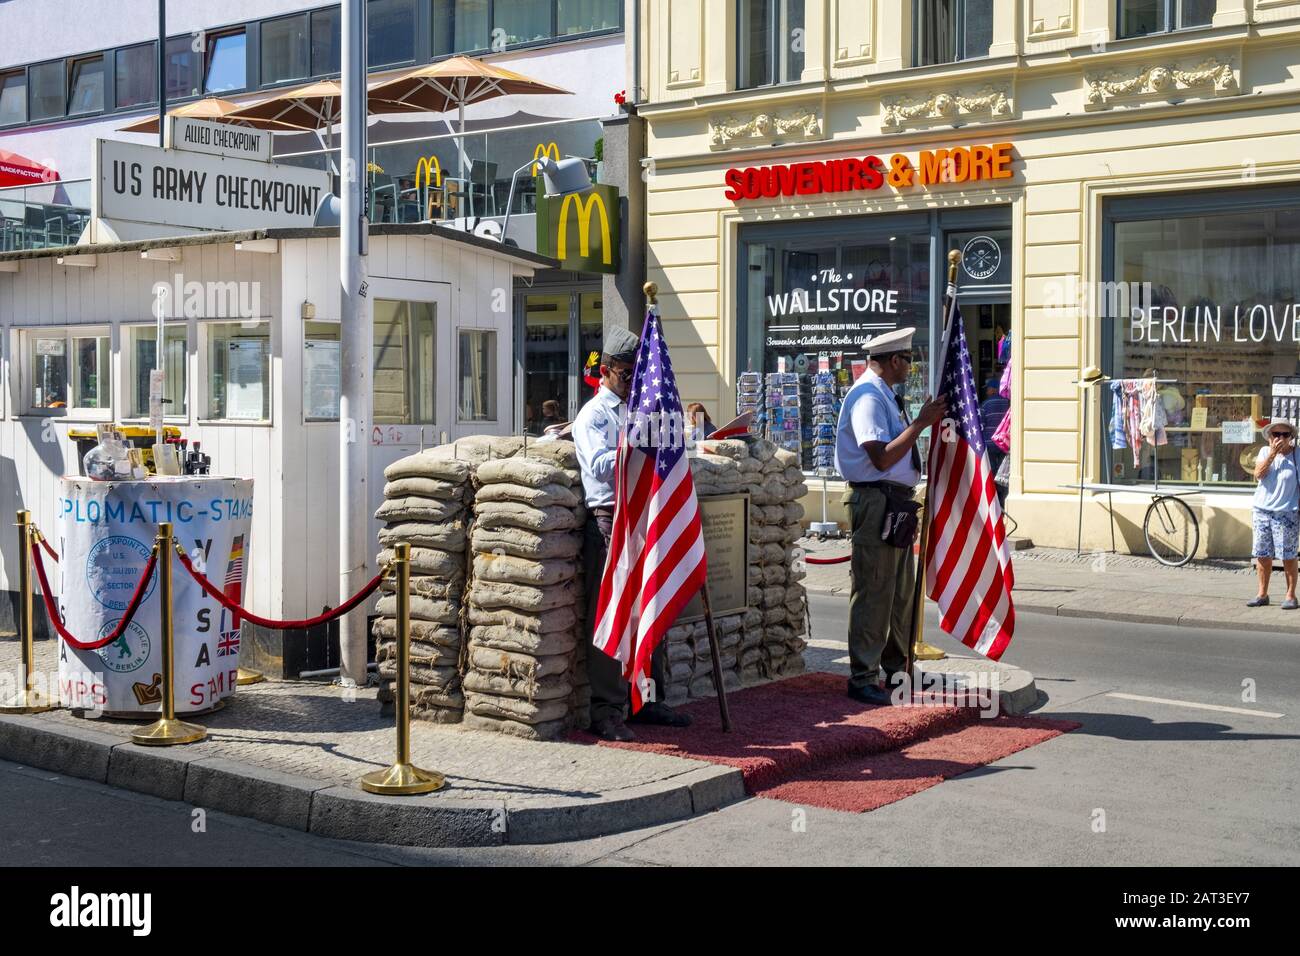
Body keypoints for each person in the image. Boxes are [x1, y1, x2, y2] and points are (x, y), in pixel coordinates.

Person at [573, 326, 692, 740]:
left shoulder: (636, 409)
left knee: (649, 607)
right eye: (626, 374)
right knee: (614, 612)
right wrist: (634, 442)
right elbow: (600, 467)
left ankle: (647, 697)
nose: (632, 381)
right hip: (610, 519)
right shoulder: (594, 415)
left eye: (637, 374)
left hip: (644, 516)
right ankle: (606, 709)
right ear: (605, 371)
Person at [834, 327, 947, 705]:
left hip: (893, 502)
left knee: (900, 592)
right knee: (875, 590)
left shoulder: (884, 394)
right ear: (894, 360)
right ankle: (863, 675)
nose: (911, 368)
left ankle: (899, 670)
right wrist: (920, 424)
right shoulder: (868, 396)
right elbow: (880, 456)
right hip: (875, 500)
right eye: (908, 360)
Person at [1249, 419, 1300, 609]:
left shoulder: (1297, 455)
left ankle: (1290, 595)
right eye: (1275, 435)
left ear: (1291, 437)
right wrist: (1272, 454)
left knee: (1288, 555)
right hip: (1262, 511)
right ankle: (1262, 594)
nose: (1280, 438)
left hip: (1286, 513)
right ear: (1270, 437)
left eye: (1284, 435)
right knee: (1262, 555)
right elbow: (1258, 474)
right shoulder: (1264, 452)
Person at [979, 377, 1010, 503]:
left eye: (988, 389)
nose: (986, 391)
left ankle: (993, 503)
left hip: (990, 444)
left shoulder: (985, 404)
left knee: (991, 474)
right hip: (1004, 444)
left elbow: (980, 425)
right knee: (1003, 475)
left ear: (993, 389)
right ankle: (1003, 501)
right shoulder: (1008, 403)